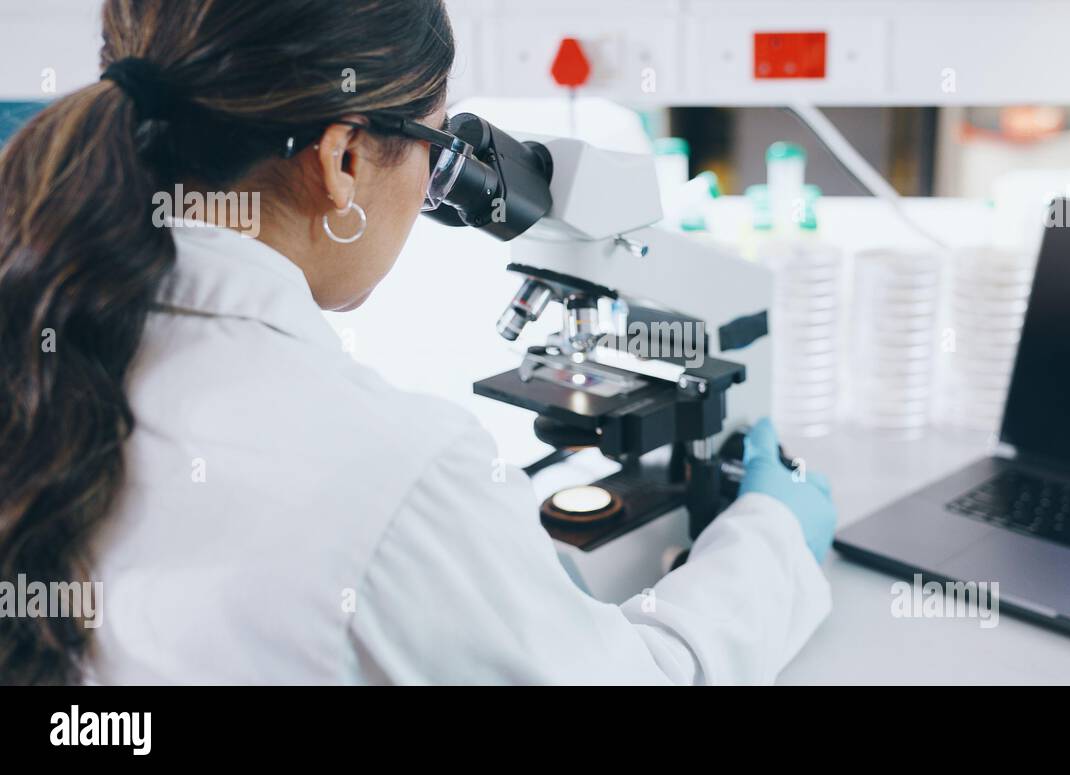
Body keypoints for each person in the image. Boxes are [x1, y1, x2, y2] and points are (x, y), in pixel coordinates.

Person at [0, 0, 835, 685]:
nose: (437, 188)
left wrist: (487, 584)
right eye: (438, 155)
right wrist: (771, 537)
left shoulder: (50, 325)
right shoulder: (395, 474)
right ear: (346, 160)